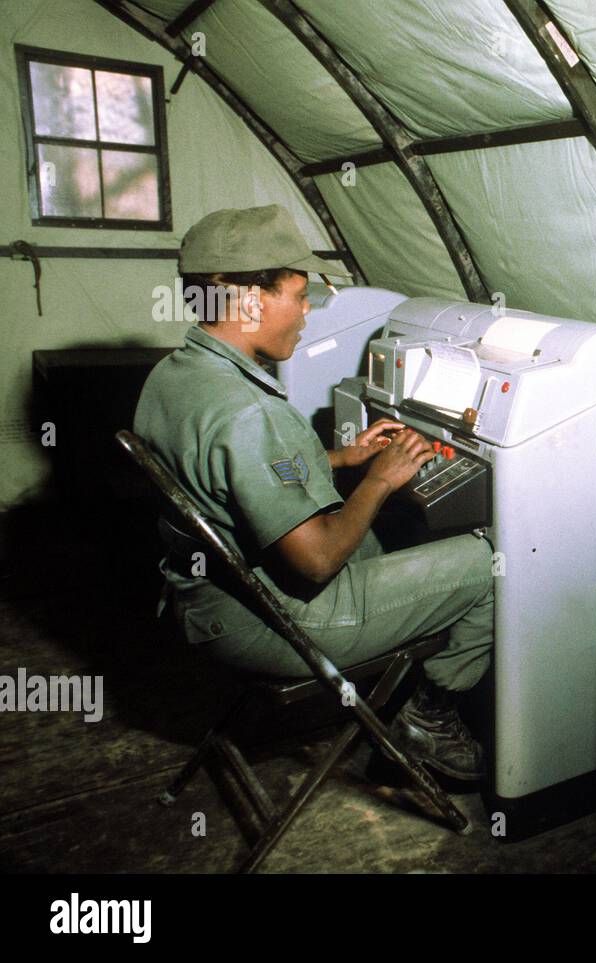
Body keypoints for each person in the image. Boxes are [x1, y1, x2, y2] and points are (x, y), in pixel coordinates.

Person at [134, 204, 493, 781]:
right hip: (276, 619)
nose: (306, 315)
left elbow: (228, 477)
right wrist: (378, 480)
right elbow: (318, 560)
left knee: (398, 531)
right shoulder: (247, 409)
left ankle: (403, 684)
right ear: (249, 299)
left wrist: (341, 459)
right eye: (298, 297)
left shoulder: (176, 376)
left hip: (204, 602)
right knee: (493, 560)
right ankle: (429, 716)